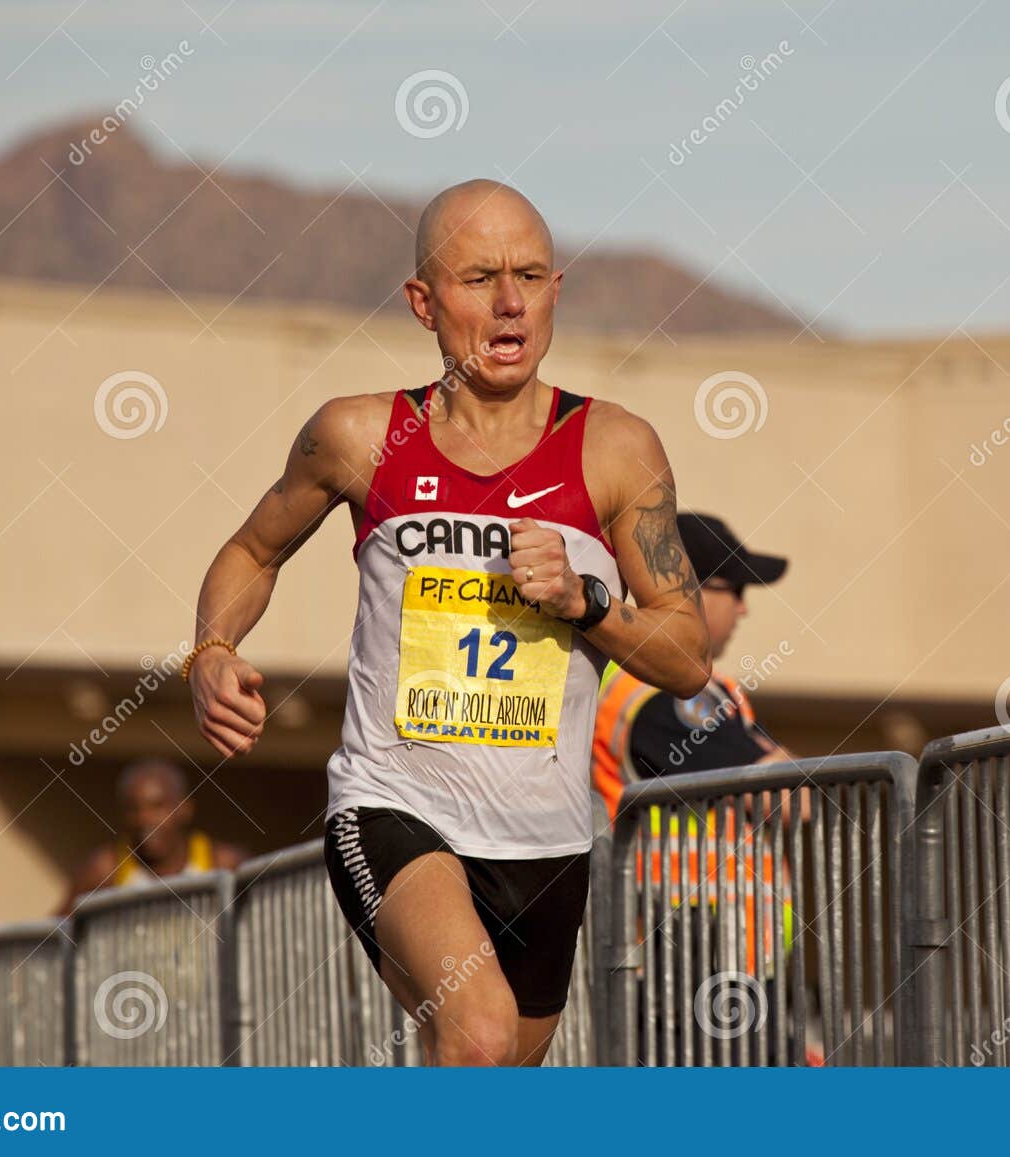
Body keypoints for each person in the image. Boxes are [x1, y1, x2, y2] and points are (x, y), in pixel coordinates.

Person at [185, 179, 711, 1066]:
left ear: (555, 292)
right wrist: (210, 652)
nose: (510, 302)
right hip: (396, 803)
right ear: (424, 303)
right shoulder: (358, 436)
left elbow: (688, 653)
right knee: (480, 1027)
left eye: (531, 275)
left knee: (489, 1064)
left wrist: (587, 604)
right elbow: (252, 549)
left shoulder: (615, 448)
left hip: (544, 837)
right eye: (479, 279)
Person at [593, 511, 797, 813]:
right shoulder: (660, 688)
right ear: (690, 591)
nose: (743, 609)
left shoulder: (695, 683)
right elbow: (791, 800)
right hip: (675, 863)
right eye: (736, 590)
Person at [61, 759, 246, 914]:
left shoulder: (223, 864)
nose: (144, 818)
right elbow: (55, 933)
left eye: (157, 806)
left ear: (184, 809)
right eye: (134, 809)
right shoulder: (106, 869)